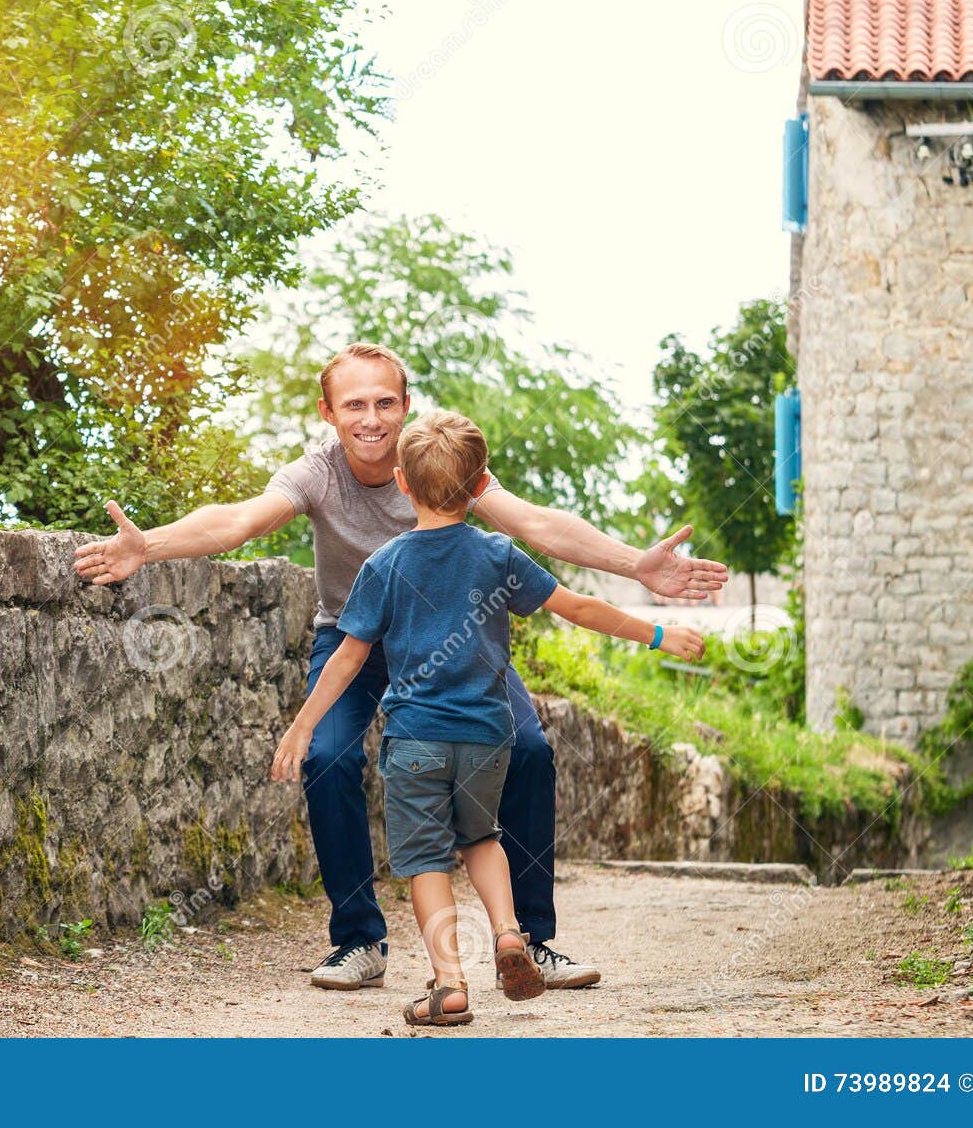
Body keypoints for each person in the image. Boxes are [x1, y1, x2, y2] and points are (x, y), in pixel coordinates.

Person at [73, 342, 728, 991]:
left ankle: (530, 940)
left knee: (529, 747)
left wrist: (634, 564)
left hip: (451, 643)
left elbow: (537, 525)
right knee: (329, 756)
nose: (372, 418)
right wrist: (149, 545)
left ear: (407, 406)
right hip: (354, 639)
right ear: (329, 413)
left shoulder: (439, 463)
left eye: (386, 402)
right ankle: (359, 940)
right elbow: (240, 522)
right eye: (355, 404)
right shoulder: (318, 472)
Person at [269, 410, 704, 1025]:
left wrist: (304, 725)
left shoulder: (385, 564)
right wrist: (657, 633)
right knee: (480, 838)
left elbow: (348, 656)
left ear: (402, 483)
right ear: (480, 487)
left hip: (416, 740)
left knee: (424, 861)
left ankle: (449, 983)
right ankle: (508, 934)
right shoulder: (500, 555)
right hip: (487, 736)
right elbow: (577, 607)